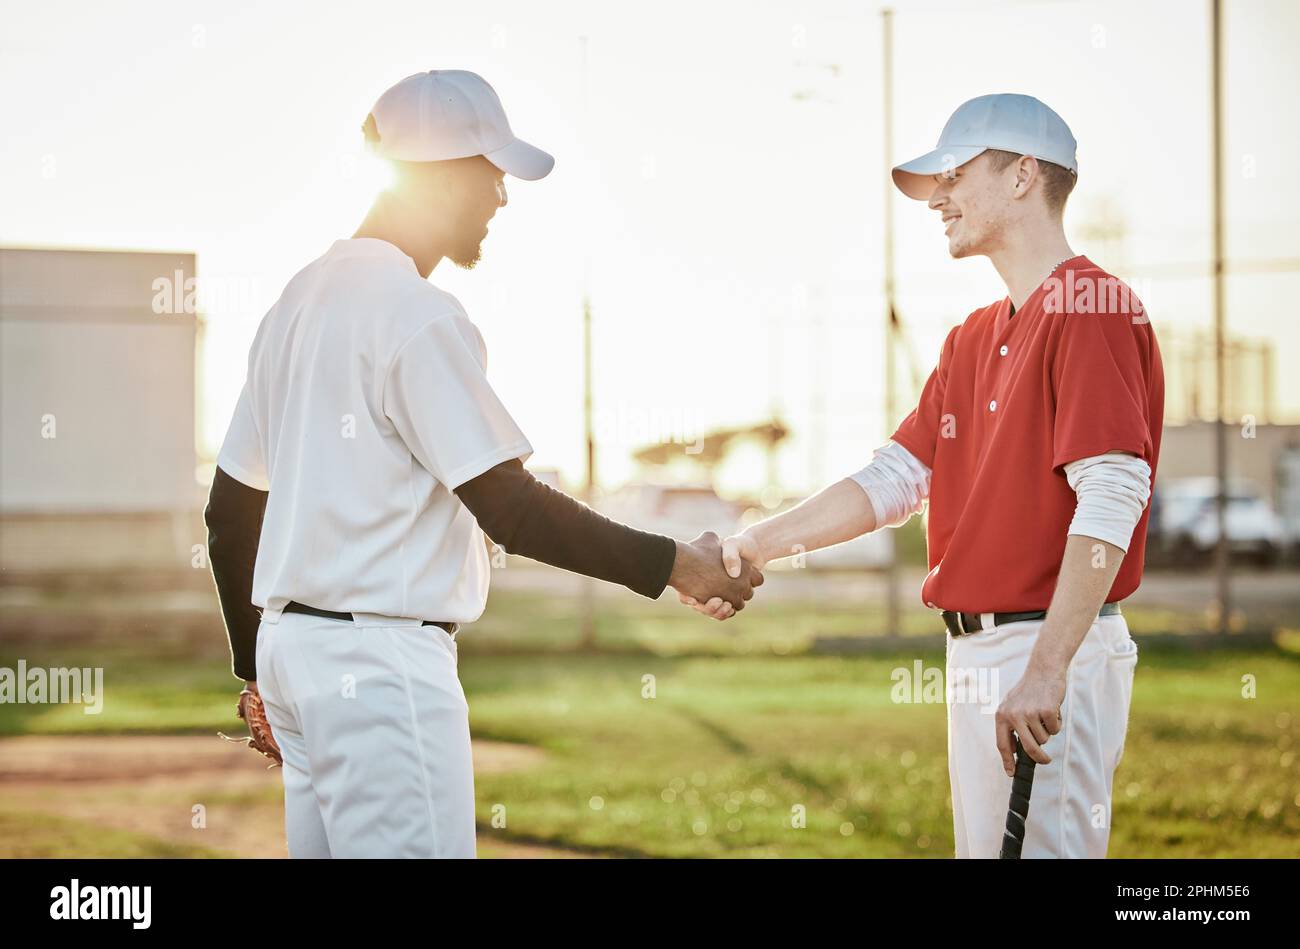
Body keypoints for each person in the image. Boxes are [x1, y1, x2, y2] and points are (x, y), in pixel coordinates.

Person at [205, 70, 761, 858]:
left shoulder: (294, 303)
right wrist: (677, 562)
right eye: (490, 175)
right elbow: (512, 507)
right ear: (439, 176)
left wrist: (255, 665)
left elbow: (229, 514)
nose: (501, 199)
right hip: (383, 667)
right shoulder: (416, 313)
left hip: (298, 662)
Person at [682, 94, 1163, 858]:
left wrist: (1046, 669)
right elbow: (894, 479)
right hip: (975, 653)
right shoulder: (971, 337)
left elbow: (1113, 492)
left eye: (954, 174)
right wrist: (754, 544)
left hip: (1046, 647)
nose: (937, 197)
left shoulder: (1090, 304)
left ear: (1023, 175)